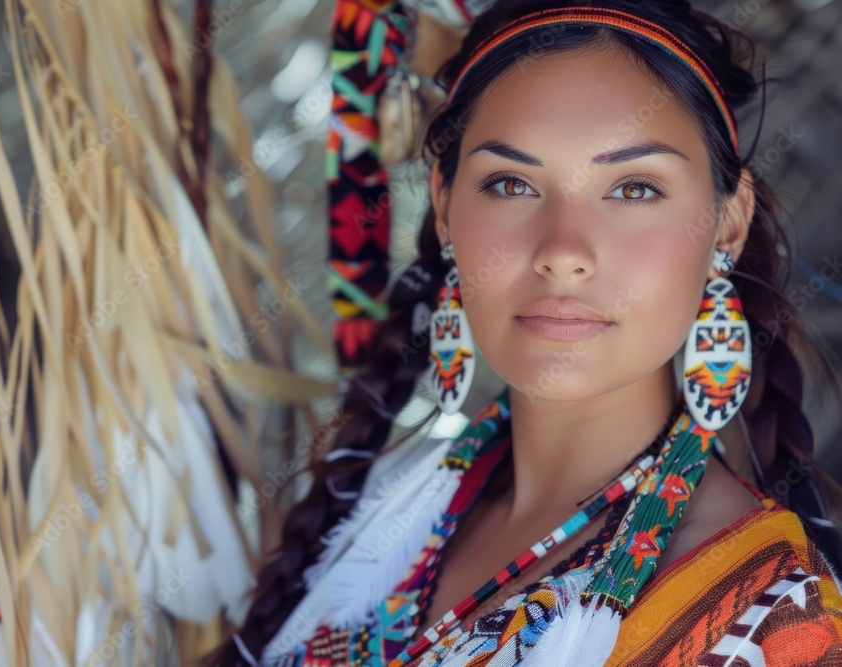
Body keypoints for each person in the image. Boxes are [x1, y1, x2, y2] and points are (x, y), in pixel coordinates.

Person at [205, 1, 842, 665]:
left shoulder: (771, 615)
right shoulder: (373, 518)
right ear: (446, 207)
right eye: (511, 183)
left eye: (632, 189)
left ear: (728, 223)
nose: (563, 251)